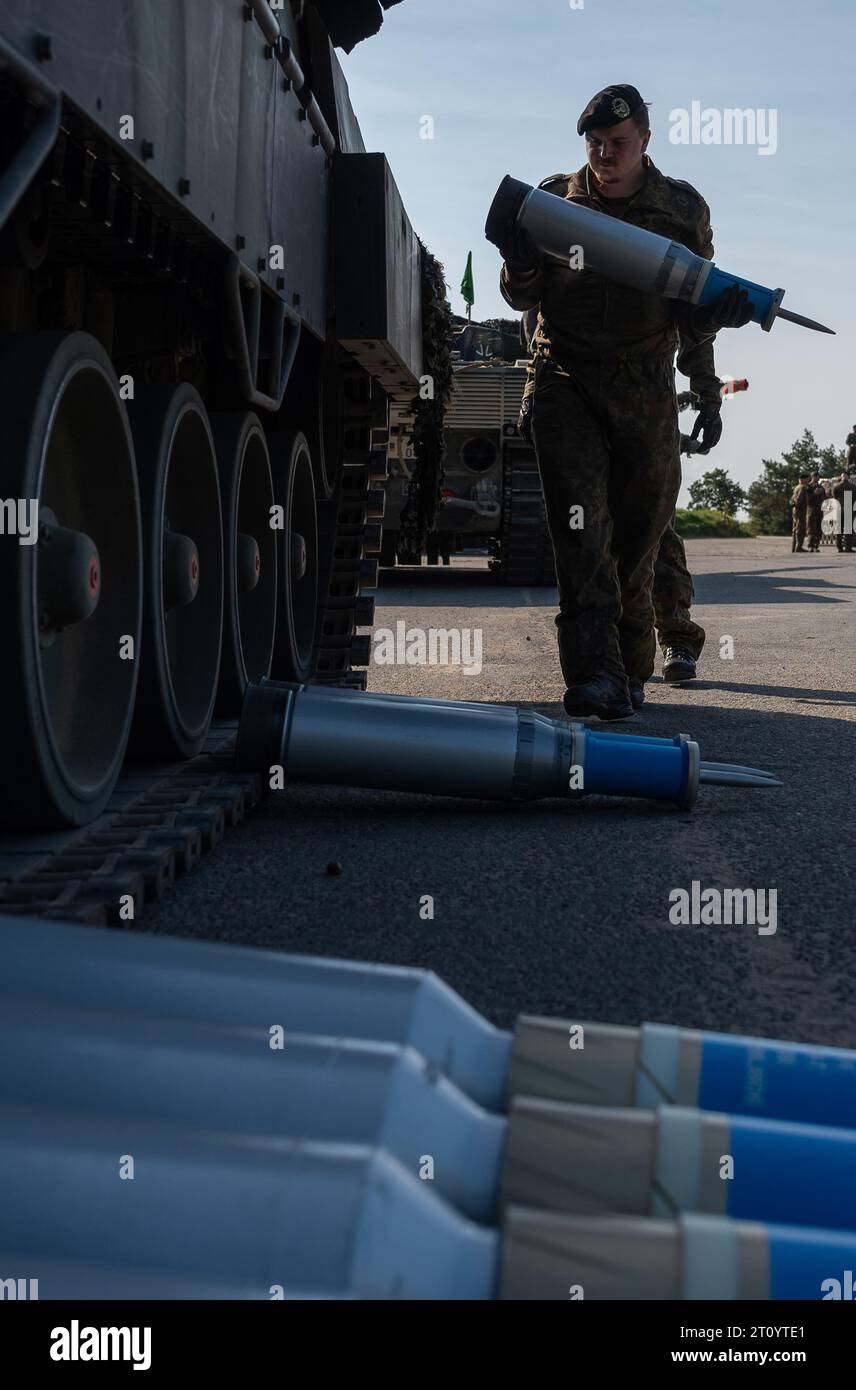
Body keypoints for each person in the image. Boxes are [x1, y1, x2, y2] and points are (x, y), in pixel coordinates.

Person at [498, 84, 752, 720]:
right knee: (581, 531)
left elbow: (696, 314)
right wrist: (518, 257)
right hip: (566, 377)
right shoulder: (553, 202)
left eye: (617, 143)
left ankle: (632, 665)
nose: (604, 155)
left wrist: (706, 387)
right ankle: (596, 675)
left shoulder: (681, 210)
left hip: (644, 384)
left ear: (644, 138)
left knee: (640, 537)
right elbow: (520, 299)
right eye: (594, 144)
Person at [832, 471, 855, 553]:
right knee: (849, 530)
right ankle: (848, 547)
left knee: (839, 529)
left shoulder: (837, 486)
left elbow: (834, 496)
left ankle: (839, 547)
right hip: (848, 507)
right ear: (848, 477)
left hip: (839, 508)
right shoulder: (852, 486)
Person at [805, 471, 825, 552]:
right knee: (811, 528)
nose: (817, 478)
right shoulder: (807, 487)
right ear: (812, 477)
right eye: (815, 477)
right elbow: (806, 499)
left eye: (818, 477)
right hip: (811, 510)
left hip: (819, 510)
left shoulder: (821, 487)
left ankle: (816, 546)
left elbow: (824, 498)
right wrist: (814, 493)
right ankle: (810, 546)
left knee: (818, 529)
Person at [789, 473, 810, 552]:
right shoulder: (803, 488)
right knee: (800, 529)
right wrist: (800, 506)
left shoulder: (796, 487)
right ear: (804, 479)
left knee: (795, 529)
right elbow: (799, 500)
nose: (809, 481)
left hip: (795, 510)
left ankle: (794, 547)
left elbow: (792, 499)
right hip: (800, 510)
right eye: (808, 479)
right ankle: (799, 547)